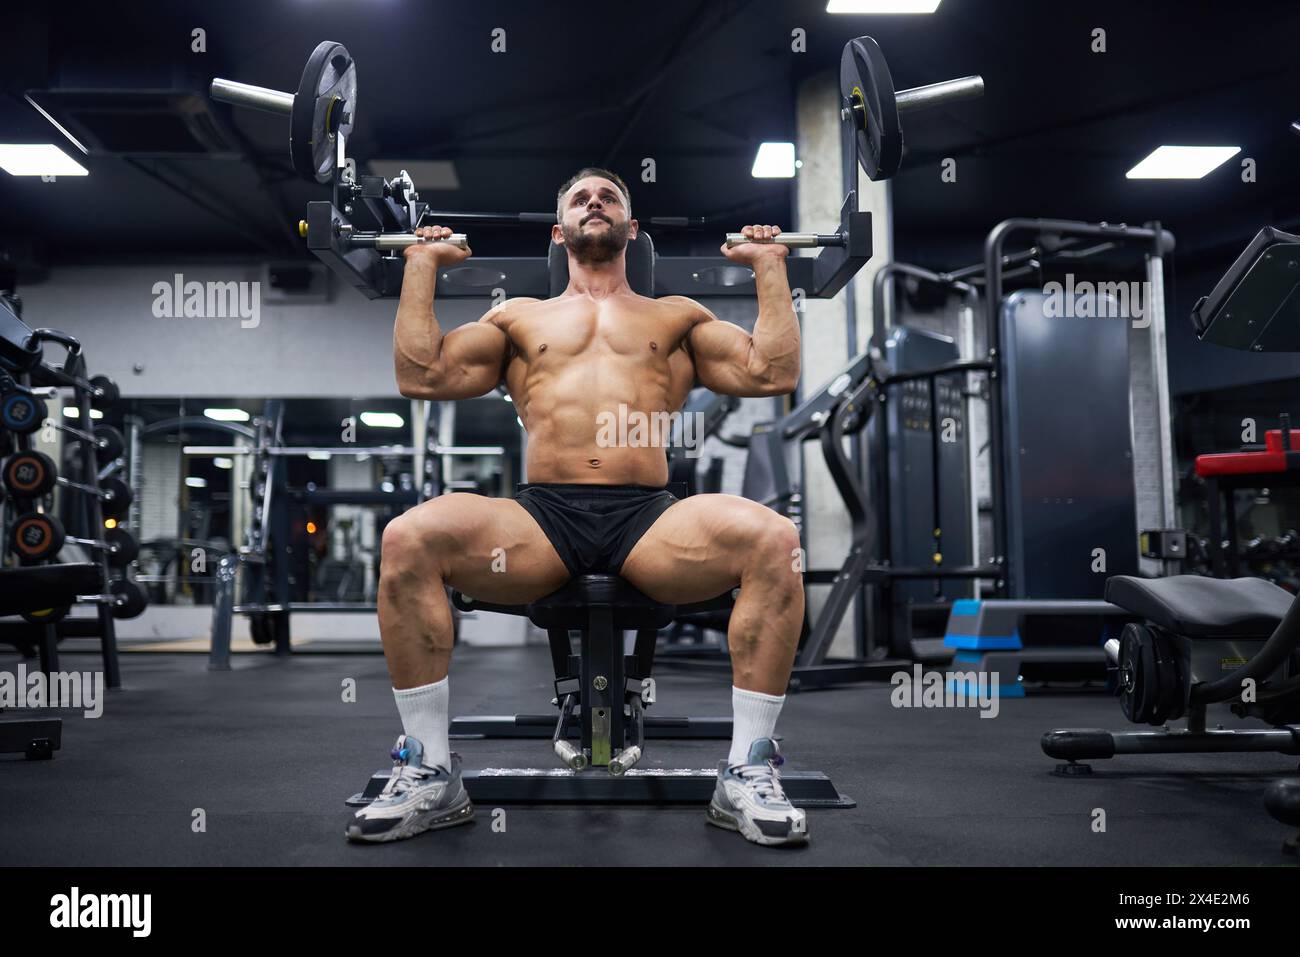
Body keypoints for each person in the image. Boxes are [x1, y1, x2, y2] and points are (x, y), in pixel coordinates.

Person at [347, 167, 806, 847]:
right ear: (559, 231)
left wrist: (770, 266)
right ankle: (429, 769)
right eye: (580, 198)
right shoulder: (517, 318)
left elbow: (773, 371)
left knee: (775, 538)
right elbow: (423, 373)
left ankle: (748, 767)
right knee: (409, 537)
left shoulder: (677, 316)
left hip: (650, 517)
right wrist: (421, 264)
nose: (596, 202)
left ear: (632, 228)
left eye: (610, 196)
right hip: (542, 520)